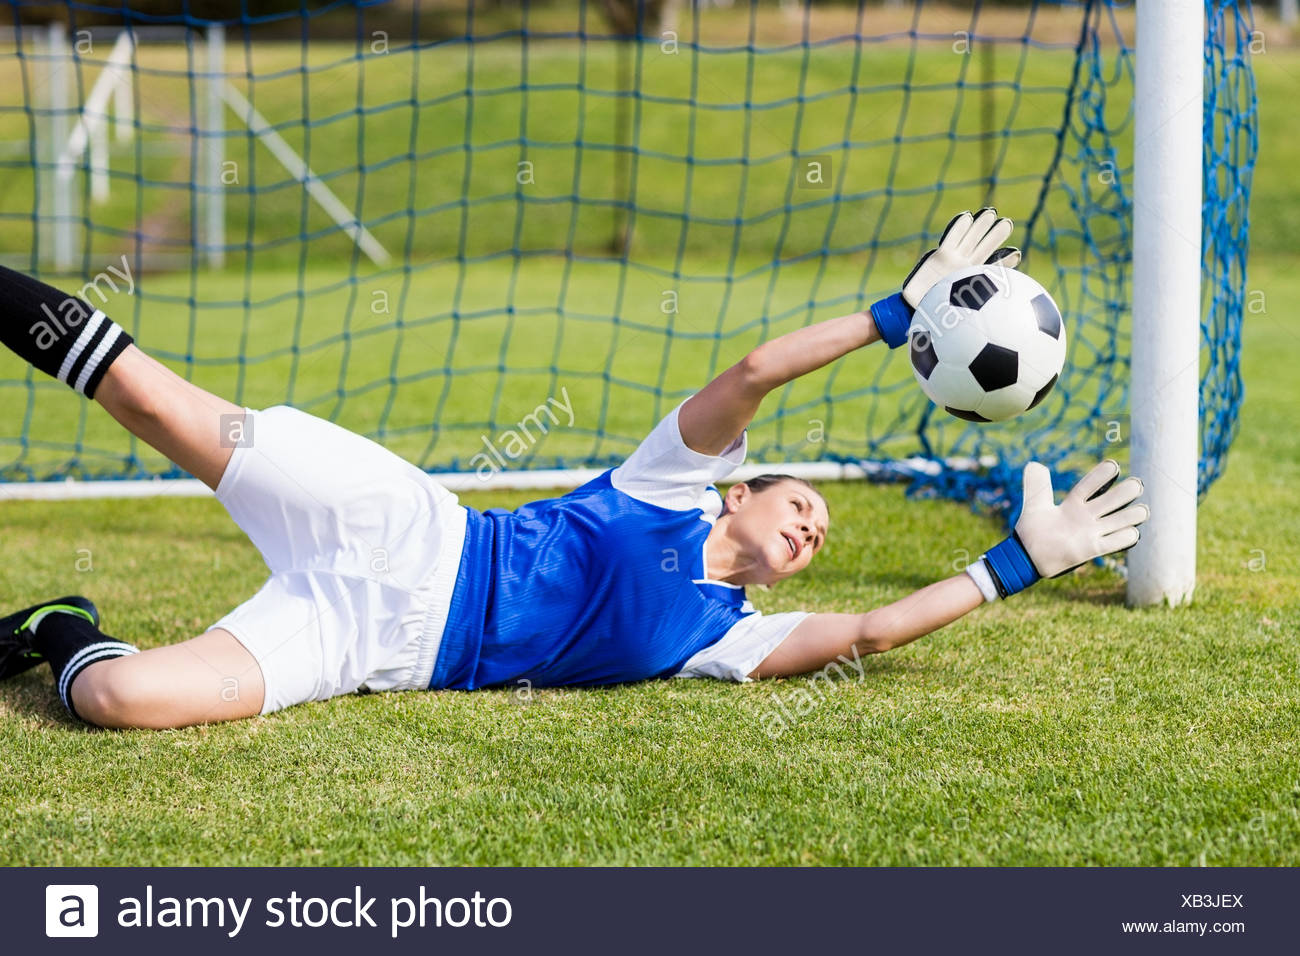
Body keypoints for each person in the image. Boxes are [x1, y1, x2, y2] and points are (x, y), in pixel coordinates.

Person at [0, 208, 1148, 730]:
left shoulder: (722, 635)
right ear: (740, 488)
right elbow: (751, 373)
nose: (814, 527)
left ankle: (61, 618)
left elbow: (867, 634)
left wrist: (1014, 561)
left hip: (374, 647)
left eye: (818, 538)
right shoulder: (665, 480)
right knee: (149, 395)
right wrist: (892, 310)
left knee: (117, 697)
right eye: (803, 500)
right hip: (411, 530)